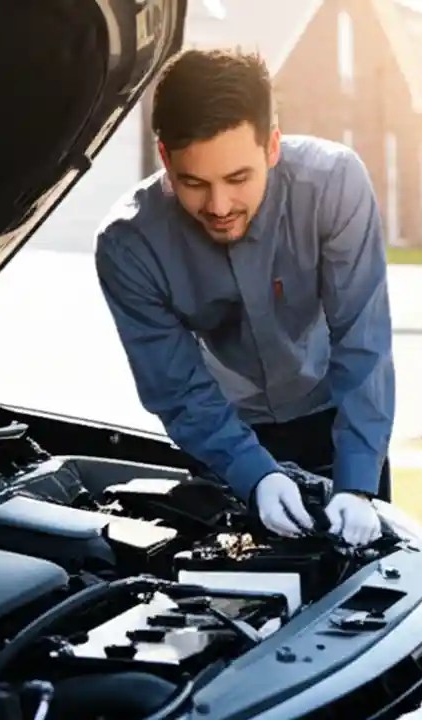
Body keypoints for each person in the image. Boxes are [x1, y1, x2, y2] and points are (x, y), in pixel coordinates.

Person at [94, 47, 395, 548]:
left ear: (271, 146)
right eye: (192, 183)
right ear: (165, 158)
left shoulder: (335, 185)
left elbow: (363, 341)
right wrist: (254, 473)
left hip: (336, 415)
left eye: (237, 179)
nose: (217, 206)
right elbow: (177, 388)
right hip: (224, 433)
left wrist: (358, 482)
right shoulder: (129, 246)